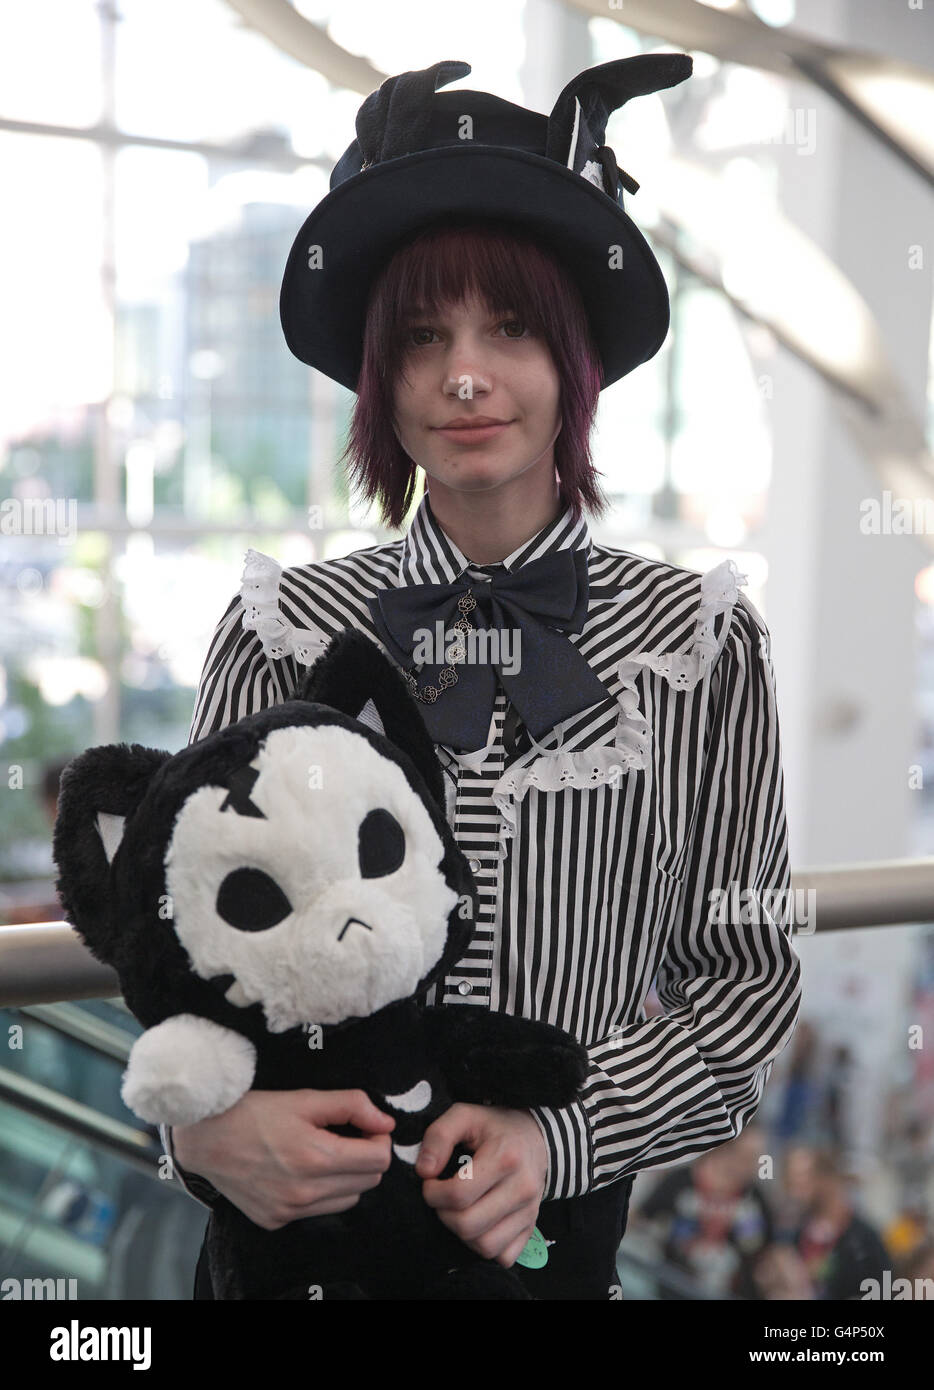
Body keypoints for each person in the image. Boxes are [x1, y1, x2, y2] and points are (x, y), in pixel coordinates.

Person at [164, 56, 802, 1301]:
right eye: (420, 336)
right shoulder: (281, 631)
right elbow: (177, 942)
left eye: (509, 327)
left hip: (551, 1249)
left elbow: (745, 978)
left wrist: (557, 1134)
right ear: (376, 376)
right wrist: (201, 1134)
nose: (464, 375)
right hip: (288, 1250)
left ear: (574, 360)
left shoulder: (698, 641)